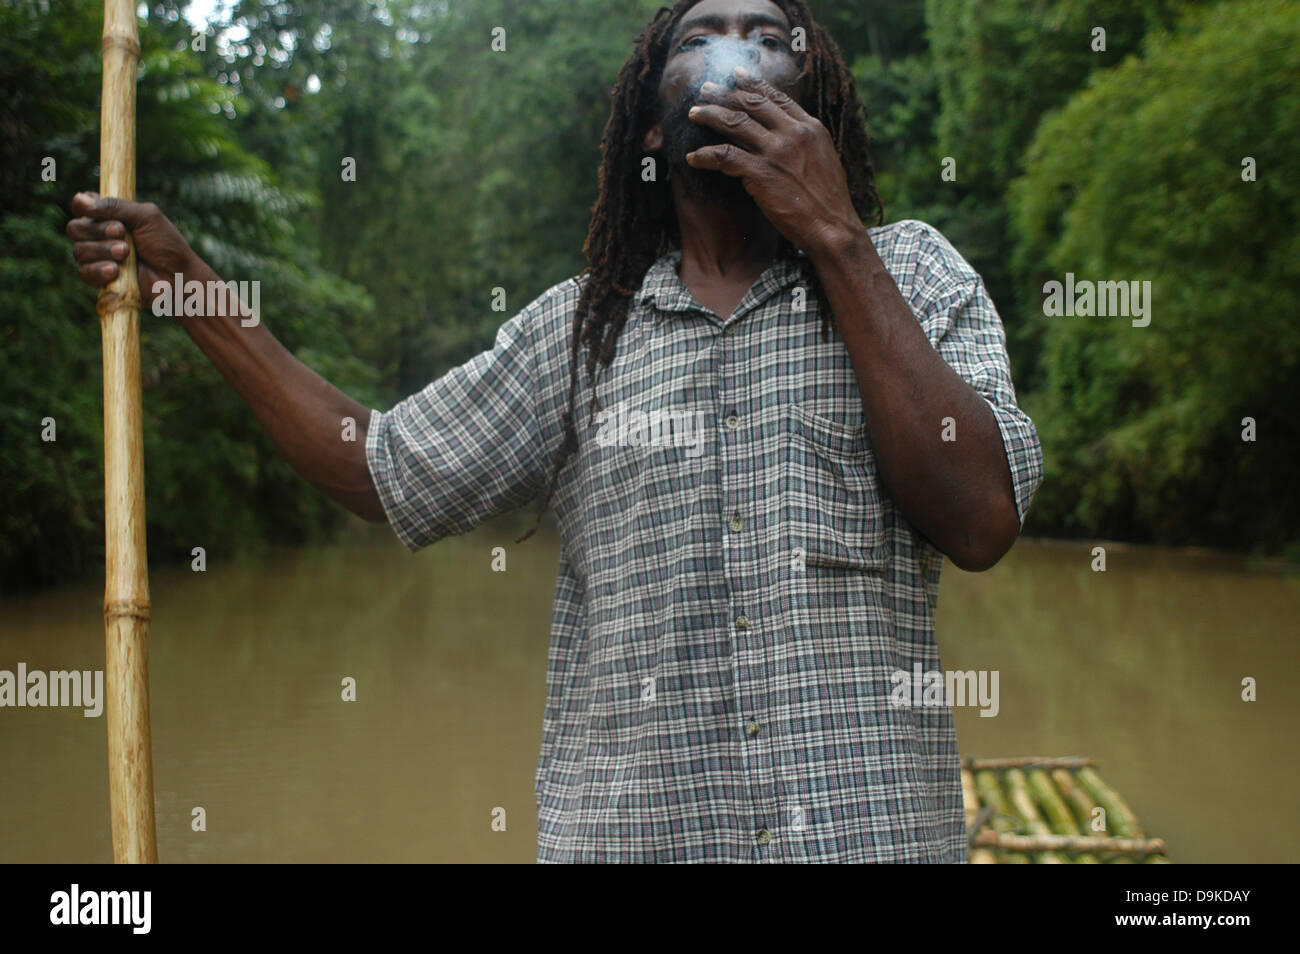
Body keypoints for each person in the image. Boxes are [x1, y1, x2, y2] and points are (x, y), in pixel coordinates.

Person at [65, 0, 1042, 862]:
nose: (733, 56)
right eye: (698, 39)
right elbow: (378, 469)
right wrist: (184, 281)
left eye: (767, 37)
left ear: (813, 105)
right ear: (653, 127)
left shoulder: (911, 276)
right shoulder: (580, 333)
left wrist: (834, 233)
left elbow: (980, 520)